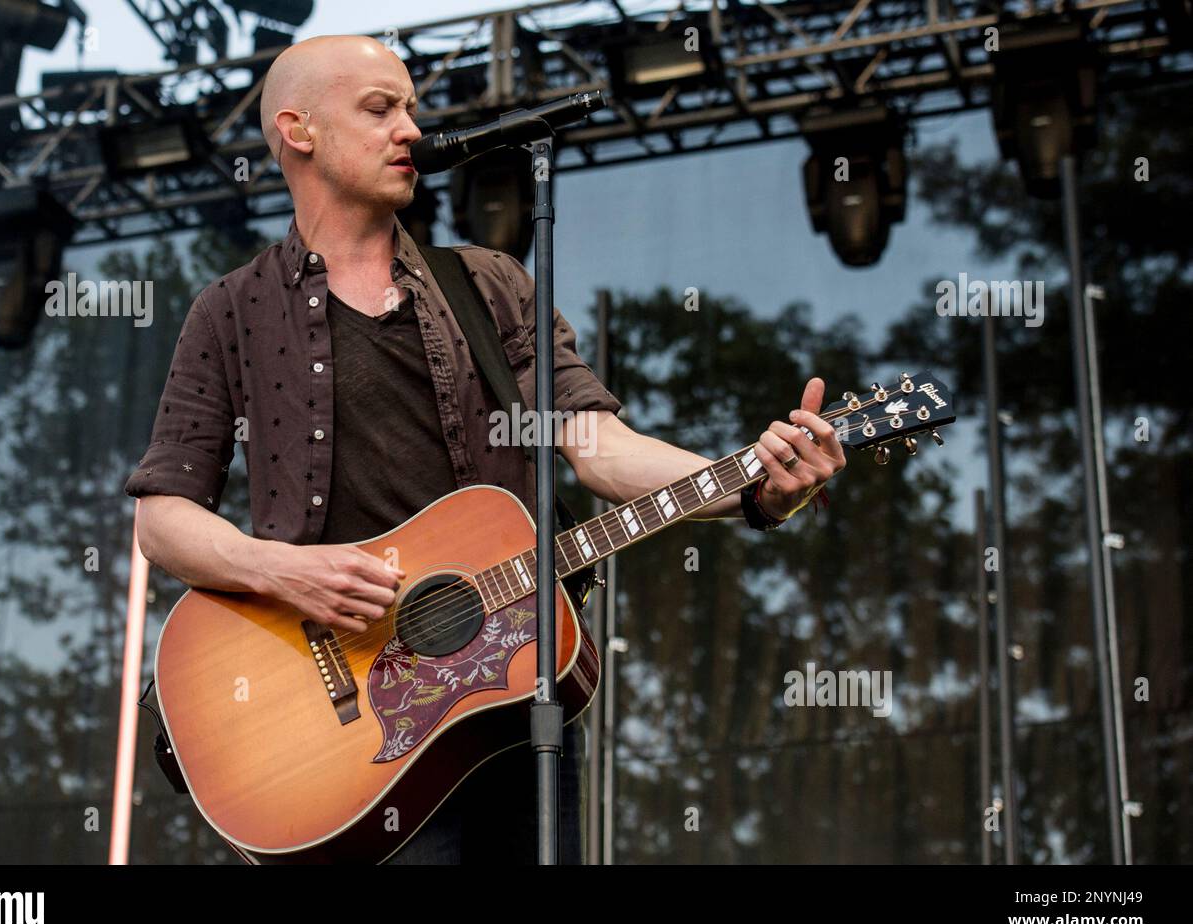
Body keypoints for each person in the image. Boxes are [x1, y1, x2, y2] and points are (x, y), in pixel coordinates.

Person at [124, 34, 846, 864]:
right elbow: (164, 518)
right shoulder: (230, 313)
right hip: (338, 742)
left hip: (509, 701)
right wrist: (280, 569)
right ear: (298, 130)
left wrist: (757, 480)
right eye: (380, 108)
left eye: (412, 108)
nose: (411, 129)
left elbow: (600, 447)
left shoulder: (488, 283)